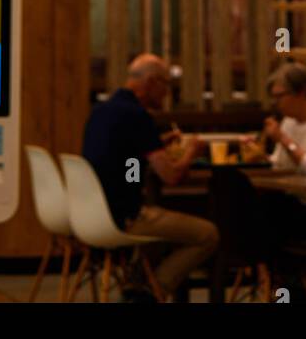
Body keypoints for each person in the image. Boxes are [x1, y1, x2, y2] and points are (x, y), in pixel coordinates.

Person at [82, 54, 220, 300]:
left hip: (90, 215)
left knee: (159, 219)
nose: (167, 93)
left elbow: (126, 159)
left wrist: (156, 145)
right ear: (152, 82)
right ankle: (153, 290)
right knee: (208, 234)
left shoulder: (101, 110)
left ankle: (136, 282)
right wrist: (191, 153)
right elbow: (171, 176)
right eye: (166, 85)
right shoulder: (137, 116)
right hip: (125, 217)